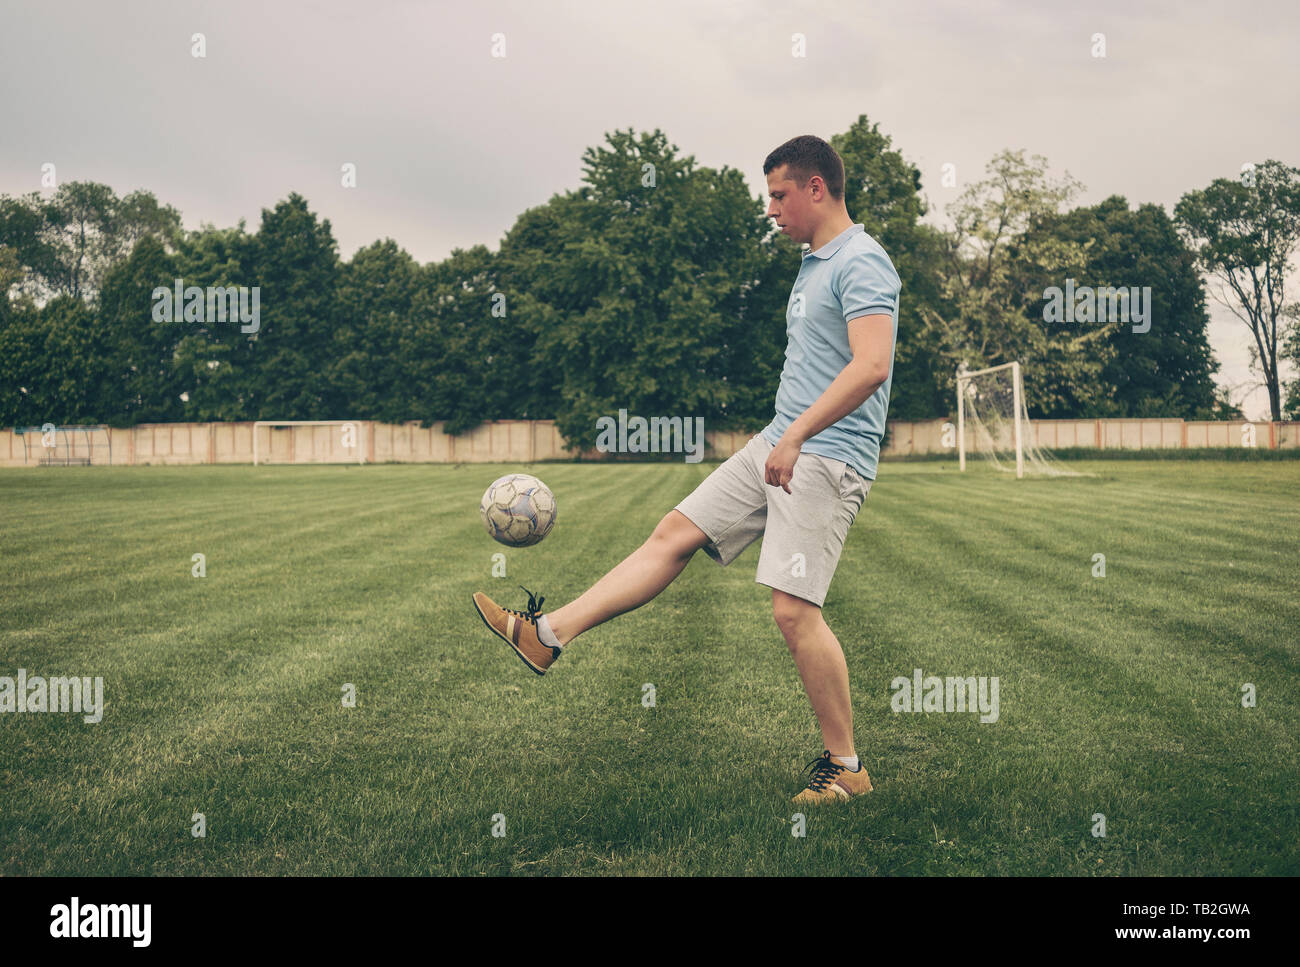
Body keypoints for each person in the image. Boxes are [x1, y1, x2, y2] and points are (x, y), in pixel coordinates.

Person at [472, 134, 901, 805]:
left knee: (793, 611)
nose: (771, 209)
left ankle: (847, 766)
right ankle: (545, 636)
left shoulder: (862, 261)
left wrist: (798, 436)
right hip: (780, 442)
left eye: (779, 195)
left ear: (817, 188)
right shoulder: (815, 264)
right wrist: (782, 436)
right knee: (674, 530)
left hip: (825, 454)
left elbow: (871, 366)